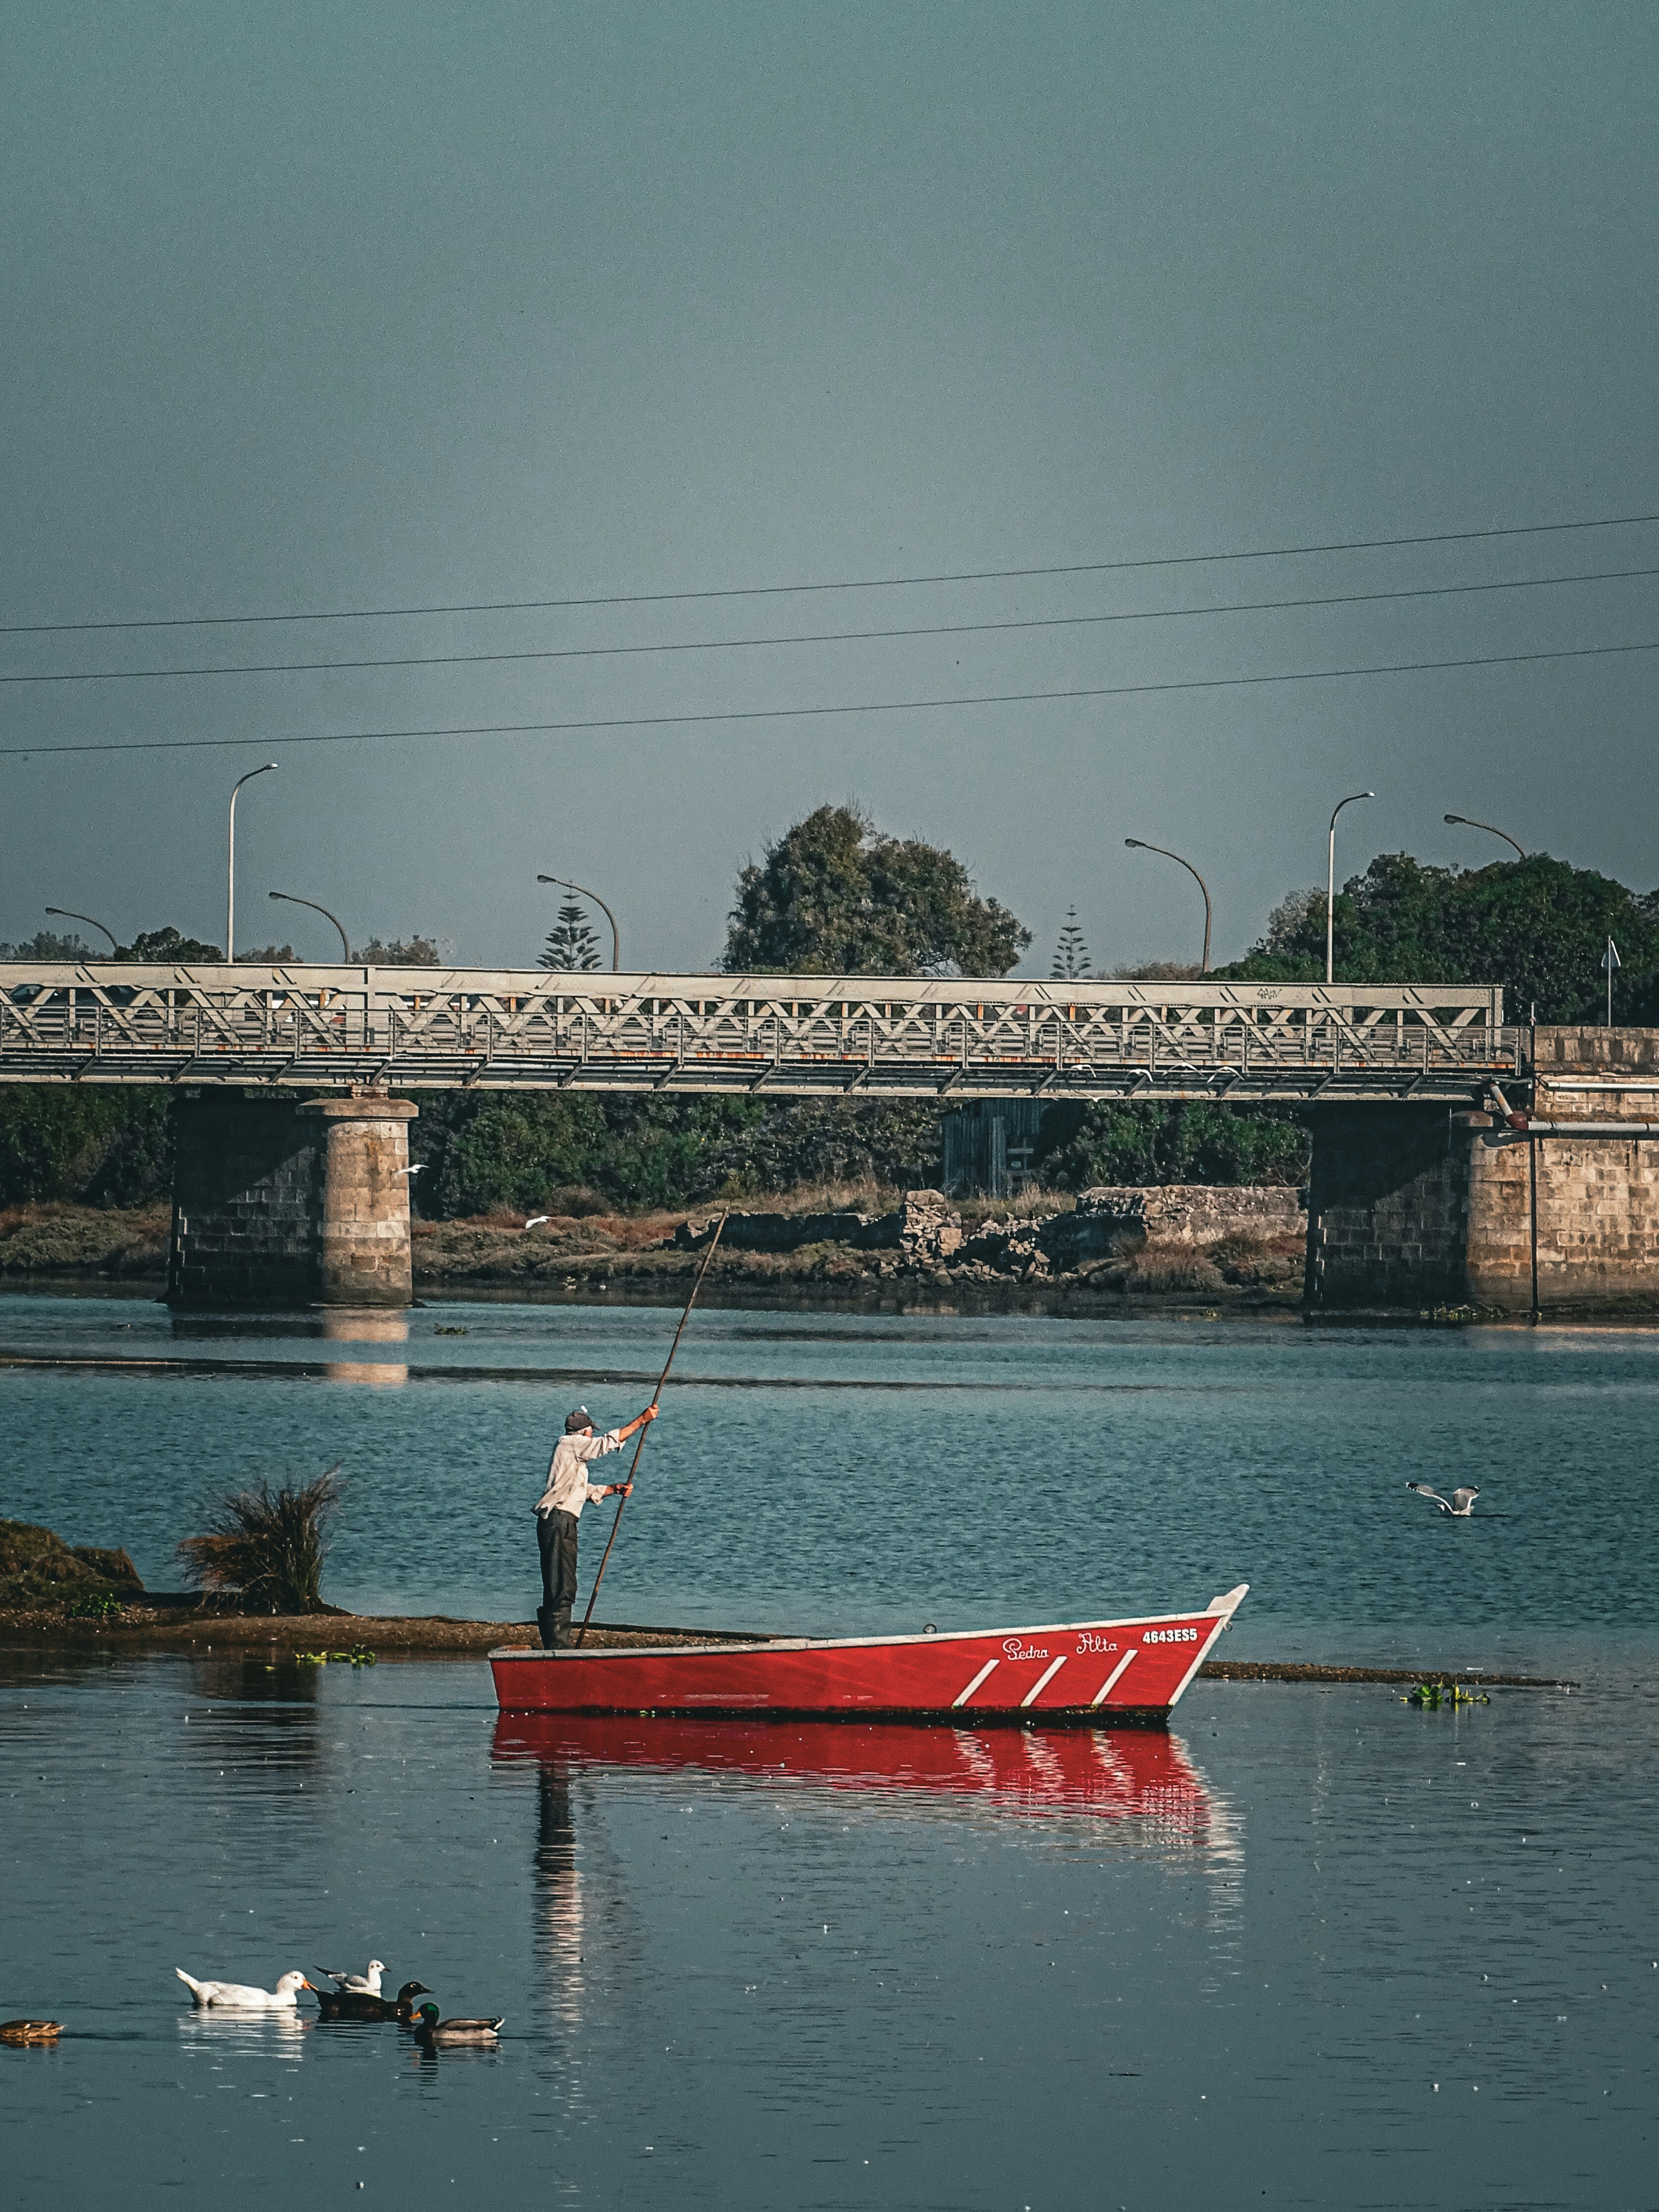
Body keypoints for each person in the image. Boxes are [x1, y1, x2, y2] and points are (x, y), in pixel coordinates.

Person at [535, 1402, 658, 1647]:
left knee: (562, 1584)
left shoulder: (571, 1454)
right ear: (584, 1432)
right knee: (562, 1587)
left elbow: (578, 1490)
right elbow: (605, 1444)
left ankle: (557, 1647)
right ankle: (558, 1649)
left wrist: (611, 1489)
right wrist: (641, 1421)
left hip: (561, 1521)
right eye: (591, 1430)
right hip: (559, 1522)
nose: (593, 1434)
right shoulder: (570, 1444)